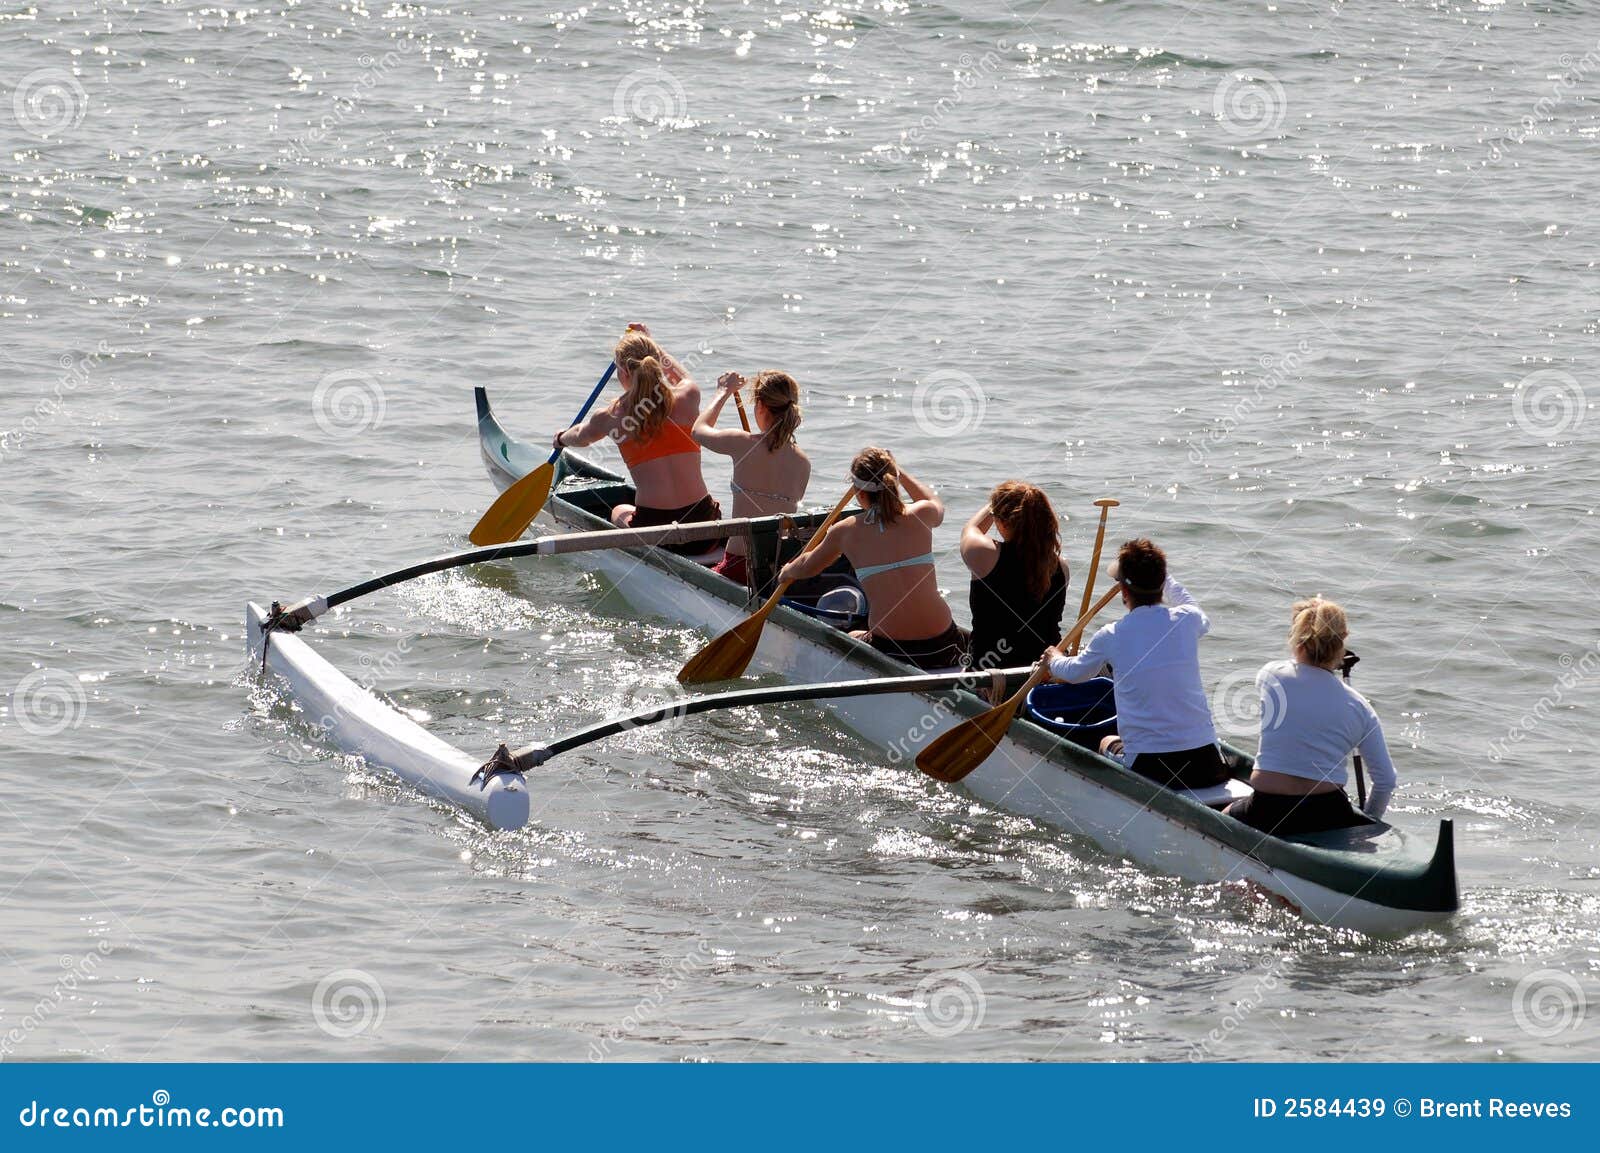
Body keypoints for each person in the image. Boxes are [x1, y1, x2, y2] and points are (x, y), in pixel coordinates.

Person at [1043, 538, 1228, 790]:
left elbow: (1075, 674)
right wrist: (1163, 577)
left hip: (1153, 766)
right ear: (1161, 585)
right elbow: (1190, 603)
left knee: (1106, 739)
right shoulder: (1189, 620)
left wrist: (1053, 660)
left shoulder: (1111, 635)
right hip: (1208, 763)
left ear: (1124, 591)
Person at [777, 446, 965, 670]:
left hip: (892, 647)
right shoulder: (923, 514)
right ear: (893, 481)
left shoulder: (845, 531)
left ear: (859, 492)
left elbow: (808, 567)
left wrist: (786, 571)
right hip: (943, 641)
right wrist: (899, 471)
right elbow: (935, 502)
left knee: (852, 633)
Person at [1224, 598, 1398, 835]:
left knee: (1222, 817)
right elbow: (1385, 781)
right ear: (1342, 644)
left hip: (1268, 808)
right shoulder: (1360, 706)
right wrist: (1368, 825)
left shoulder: (1271, 674)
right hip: (1329, 812)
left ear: (1297, 639)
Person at [554, 325, 723, 555]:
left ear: (623, 372)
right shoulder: (689, 396)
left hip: (654, 530)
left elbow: (581, 437)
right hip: (703, 526)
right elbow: (681, 376)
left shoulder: (611, 416)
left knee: (618, 510)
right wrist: (652, 343)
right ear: (656, 362)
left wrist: (561, 438)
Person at [692, 369, 811, 586]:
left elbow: (698, 431)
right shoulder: (803, 463)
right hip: (776, 570)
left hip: (738, 567)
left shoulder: (742, 443)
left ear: (761, 406)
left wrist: (724, 391)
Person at [961, 481, 1069, 672]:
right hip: (1044, 672)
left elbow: (970, 529)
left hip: (991, 675)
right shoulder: (1061, 565)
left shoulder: (984, 554)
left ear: (1001, 521)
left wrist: (996, 502)